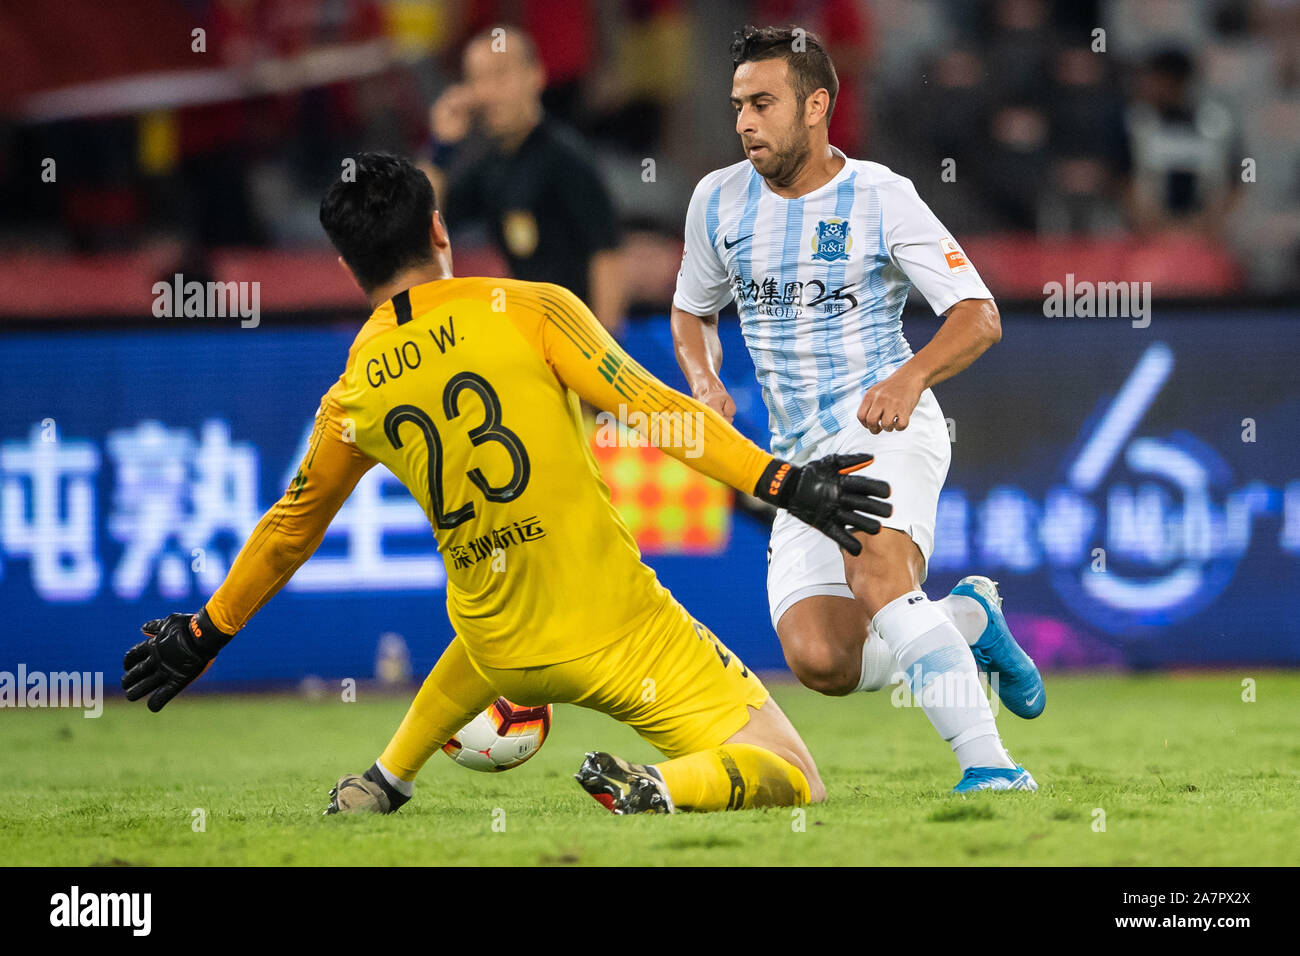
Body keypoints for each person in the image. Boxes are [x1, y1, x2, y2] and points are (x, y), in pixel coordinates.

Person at [120, 152, 893, 816]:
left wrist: (205, 634)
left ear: (346, 266)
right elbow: (657, 413)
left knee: (484, 629)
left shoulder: (354, 390)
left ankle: (386, 780)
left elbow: (290, 529)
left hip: (501, 645)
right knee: (793, 773)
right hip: (617, 631)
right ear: (438, 231)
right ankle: (659, 787)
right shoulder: (530, 310)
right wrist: (787, 483)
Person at [670, 26, 1046, 793]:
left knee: (878, 575)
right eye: (739, 103)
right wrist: (704, 380)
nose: (744, 121)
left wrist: (908, 379)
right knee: (823, 660)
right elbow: (690, 310)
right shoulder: (717, 200)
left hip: (887, 424)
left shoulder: (880, 196)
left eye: (762, 103)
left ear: (815, 106)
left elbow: (978, 314)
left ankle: (992, 767)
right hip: (798, 454)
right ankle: (968, 620)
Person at [421, 26, 626, 335]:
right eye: (477, 80)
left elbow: (607, 255)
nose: (488, 92)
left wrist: (605, 356)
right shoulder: (490, 166)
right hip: (532, 339)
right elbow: (425, 226)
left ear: (536, 75)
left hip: (579, 344)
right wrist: (440, 149)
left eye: (500, 76)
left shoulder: (566, 157)